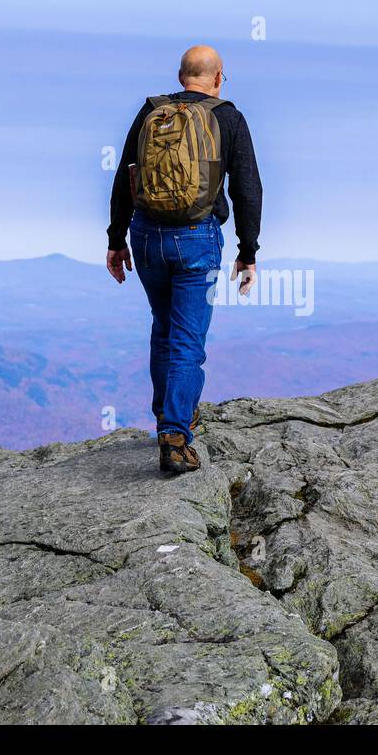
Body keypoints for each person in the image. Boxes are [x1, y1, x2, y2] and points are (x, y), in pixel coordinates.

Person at [105, 45, 262, 473]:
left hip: (146, 236)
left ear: (180, 77)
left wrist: (116, 238)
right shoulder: (227, 116)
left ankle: (166, 415)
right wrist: (248, 251)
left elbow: (125, 175)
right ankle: (175, 435)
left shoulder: (151, 111)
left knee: (164, 328)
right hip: (196, 237)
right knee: (188, 340)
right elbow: (248, 189)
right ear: (218, 78)